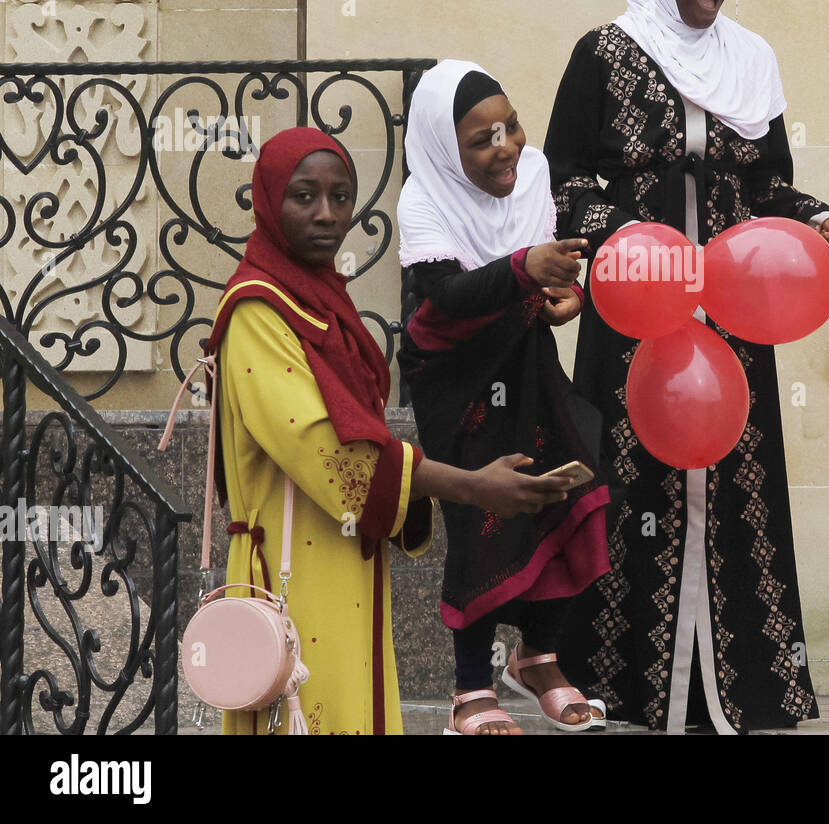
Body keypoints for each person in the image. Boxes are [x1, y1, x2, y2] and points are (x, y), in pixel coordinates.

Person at [543, 0, 829, 733]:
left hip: (737, 321)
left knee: (737, 490)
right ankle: (619, 687)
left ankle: (741, 692)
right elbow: (563, 182)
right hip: (635, 318)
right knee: (631, 481)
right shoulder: (604, 54)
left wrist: (810, 215)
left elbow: (767, 184)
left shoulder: (750, 60)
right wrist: (633, 244)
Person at [208, 125, 571, 735]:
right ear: (268, 201)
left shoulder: (320, 298)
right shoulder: (256, 311)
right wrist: (471, 487)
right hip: (289, 564)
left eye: (342, 196)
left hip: (346, 553)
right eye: (304, 196)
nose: (327, 214)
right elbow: (327, 450)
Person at [397, 61, 611, 735]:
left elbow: (548, 275)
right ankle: (469, 690)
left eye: (510, 126)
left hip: (525, 350)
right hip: (455, 372)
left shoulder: (537, 172)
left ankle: (538, 657)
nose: (506, 147)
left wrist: (566, 297)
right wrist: (525, 269)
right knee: (485, 510)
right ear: (445, 150)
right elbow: (451, 296)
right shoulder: (422, 200)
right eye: (482, 139)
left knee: (574, 489)